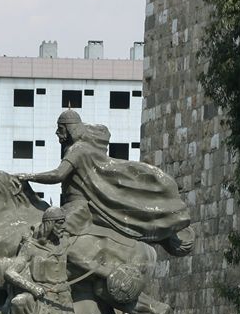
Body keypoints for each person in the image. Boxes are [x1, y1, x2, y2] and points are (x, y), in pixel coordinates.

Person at [14, 108, 192, 253]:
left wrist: (28, 176)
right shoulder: (79, 149)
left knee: (50, 236)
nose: (57, 133)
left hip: (78, 206)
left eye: (60, 129)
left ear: (69, 129)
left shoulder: (78, 150)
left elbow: (58, 175)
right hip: (70, 204)